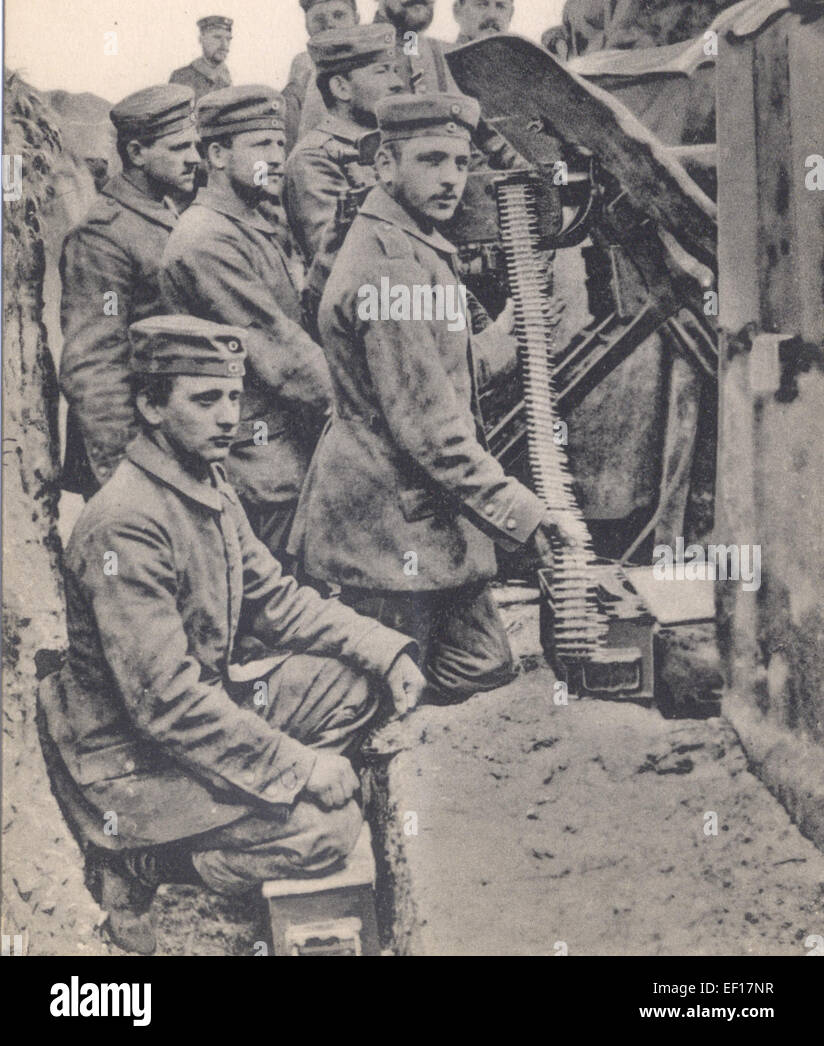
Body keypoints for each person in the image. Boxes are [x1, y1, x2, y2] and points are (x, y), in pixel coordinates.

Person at [39, 316, 424, 954]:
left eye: (233, 397)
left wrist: (386, 651)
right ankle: (142, 867)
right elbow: (166, 702)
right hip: (128, 760)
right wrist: (298, 768)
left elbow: (275, 600)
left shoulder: (204, 480)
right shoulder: (125, 525)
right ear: (150, 406)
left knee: (352, 686)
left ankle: (233, 824)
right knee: (326, 833)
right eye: (204, 399)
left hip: (187, 720)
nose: (227, 417)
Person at [288, 92, 587, 702]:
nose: (451, 178)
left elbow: (436, 369)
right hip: (385, 532)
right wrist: (524, 515)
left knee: (482, 668)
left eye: (459, 162)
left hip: (421, 517)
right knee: (392, 690)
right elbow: (431, 430)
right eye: (431, 160)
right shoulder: (389, 264)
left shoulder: (411, 239)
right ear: (385, 168)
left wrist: (500, 341)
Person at [160, 86, 331, 554]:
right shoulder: (207, 240)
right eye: (261, 144)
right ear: (216, 154)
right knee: (273, 612)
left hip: (280, 452)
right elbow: (279, 351)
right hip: (256, 464)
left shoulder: (247, 222)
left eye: (280, 143)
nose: (277, 157)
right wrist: (360, 407)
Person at [59, 84, 199, 495]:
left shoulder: (163, 207)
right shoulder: (102, 237)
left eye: (194, 146)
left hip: (169, 438)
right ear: (136, 154)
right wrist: (124, 481)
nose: (194, 158)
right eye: (178, 149)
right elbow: (95, 367)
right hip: (133, 452)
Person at [283, 23, 403, 264]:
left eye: (395, 70)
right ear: (341, 87)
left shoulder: (385, 143)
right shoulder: (314, 158)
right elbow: (338, 259)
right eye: (382, 71)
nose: (397, 82)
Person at [283, 0, 359, 147]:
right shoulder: (303, 64)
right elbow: (290, 124)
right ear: (307, 25)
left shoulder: (375, 62)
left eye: (339, 15)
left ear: (356, 19)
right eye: (318, 19)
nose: (330, 24)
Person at [169, 15, 233, 98]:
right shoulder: (181, 77)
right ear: (201, 39)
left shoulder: (228, 78)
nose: (225, 46)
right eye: (217, 37)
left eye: (228, 39)